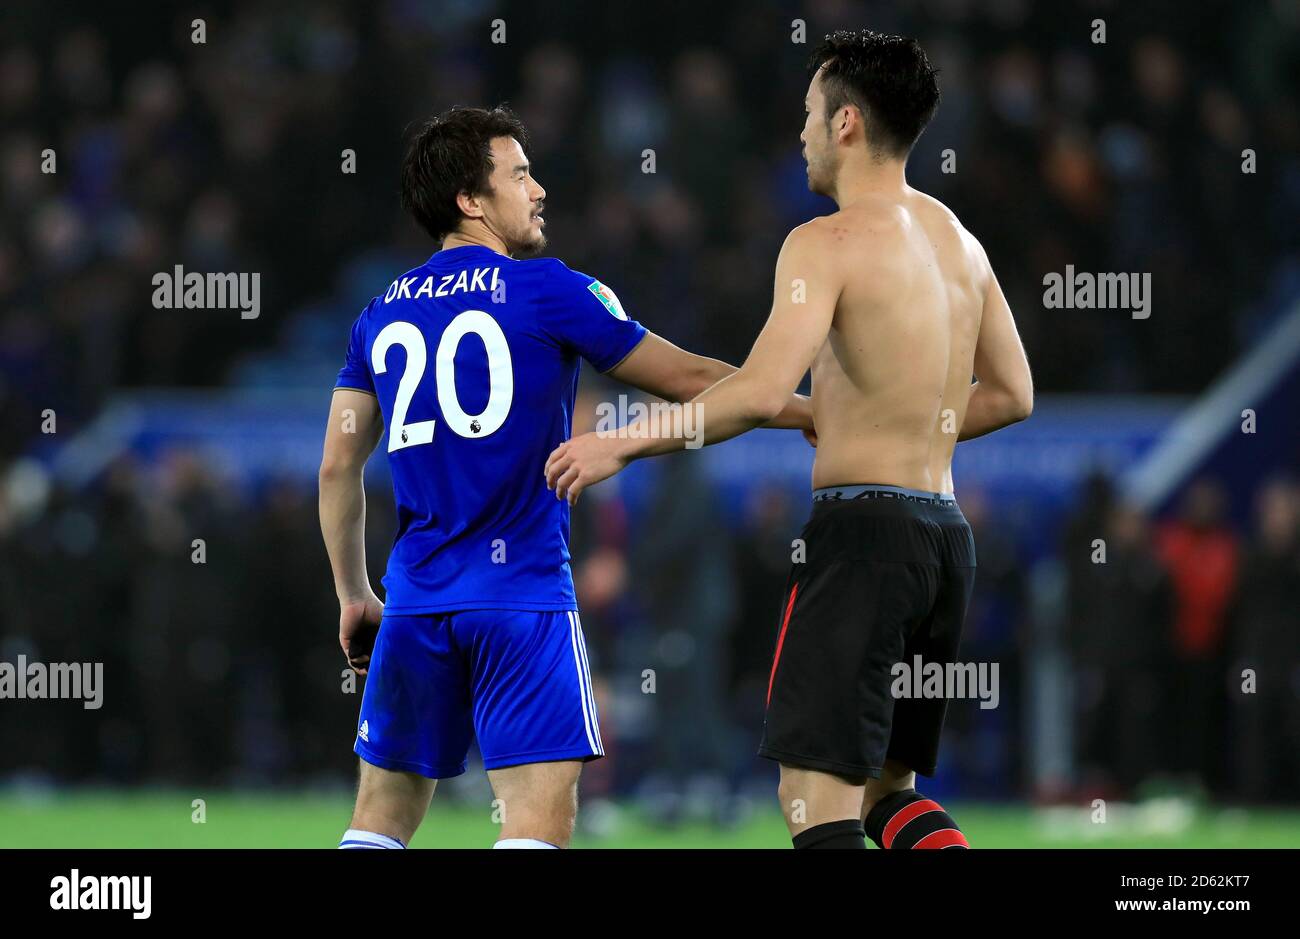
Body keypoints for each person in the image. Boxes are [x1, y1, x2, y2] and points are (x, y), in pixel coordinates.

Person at [545, 30, 1033, 849]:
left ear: (845, 123)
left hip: (863, 540)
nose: (799, 133)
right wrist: (883, 422)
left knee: (813, 793)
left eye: (809, 114)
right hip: (944, 543)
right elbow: (1014, 393)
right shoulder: (960, 241)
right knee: (886, 790)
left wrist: (623, 443)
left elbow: (761, 392)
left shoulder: (823, 242)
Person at [317, 106, 812, 849]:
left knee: (380, 821)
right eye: (519, 174)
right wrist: (806, 408)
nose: (538, 189)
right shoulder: (551, 290)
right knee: (535, 825)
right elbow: (692, 377)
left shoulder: (378, 316)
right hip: (522, 599)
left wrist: (356, 593)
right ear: (470, 199)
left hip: (416, 599)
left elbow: (336, 466)